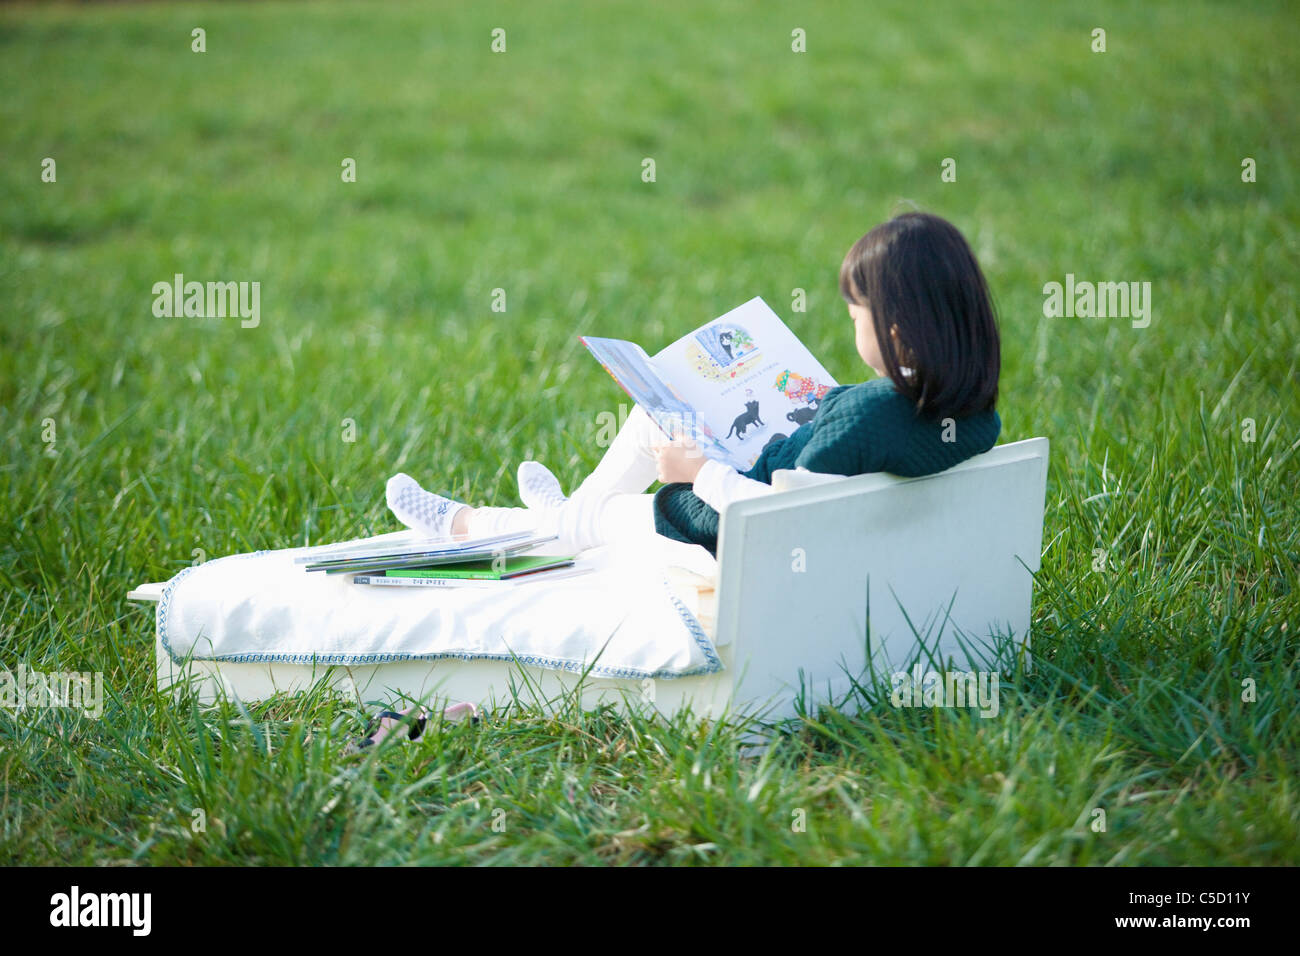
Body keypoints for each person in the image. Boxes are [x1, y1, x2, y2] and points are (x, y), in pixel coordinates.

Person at [386, 212, 1003, 558]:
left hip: (712, 522)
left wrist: (693, 474)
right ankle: (572, 513)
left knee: (613, 501)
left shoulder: (871, 416)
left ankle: (466, 524)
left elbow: (779, 519)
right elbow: (848, 457)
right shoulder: (968, 413)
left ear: (893, 328)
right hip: (762, 483)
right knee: (657, 416)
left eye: (854, 316)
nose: (852, 328)